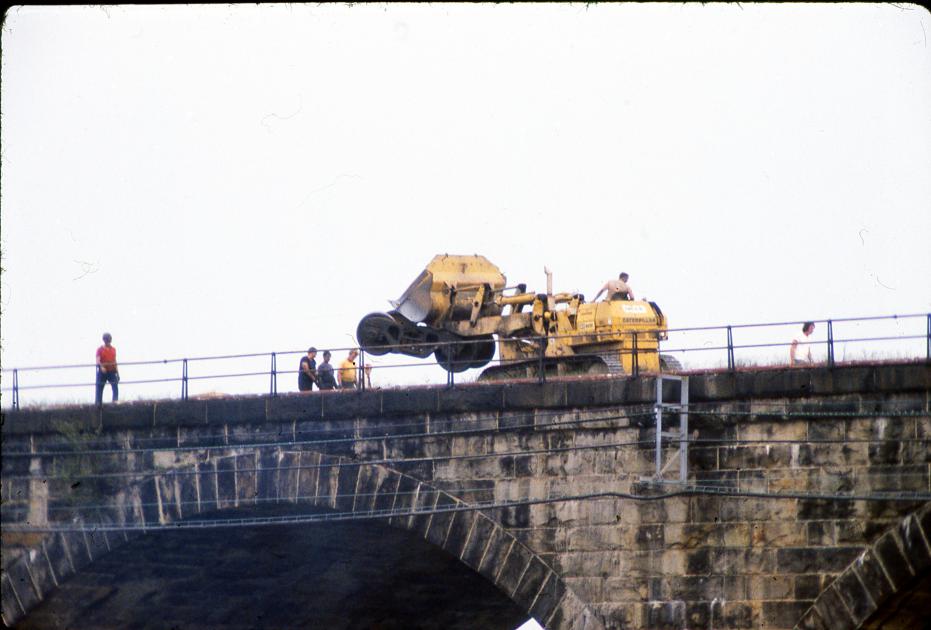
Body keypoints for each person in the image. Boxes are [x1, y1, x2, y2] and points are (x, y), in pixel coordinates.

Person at [95, 332, 119, 405]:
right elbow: (97, 360)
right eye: (106, 340)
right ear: (104, 340)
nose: (108, 341)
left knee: (115, 387)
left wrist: (117, 372)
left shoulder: (113, 349)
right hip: (103, 372)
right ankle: (98, 403)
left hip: (112, 371)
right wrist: (102, 367)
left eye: (108, 340)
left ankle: (115, 401)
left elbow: (115, 361)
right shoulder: (100, 349)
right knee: (99, 387)